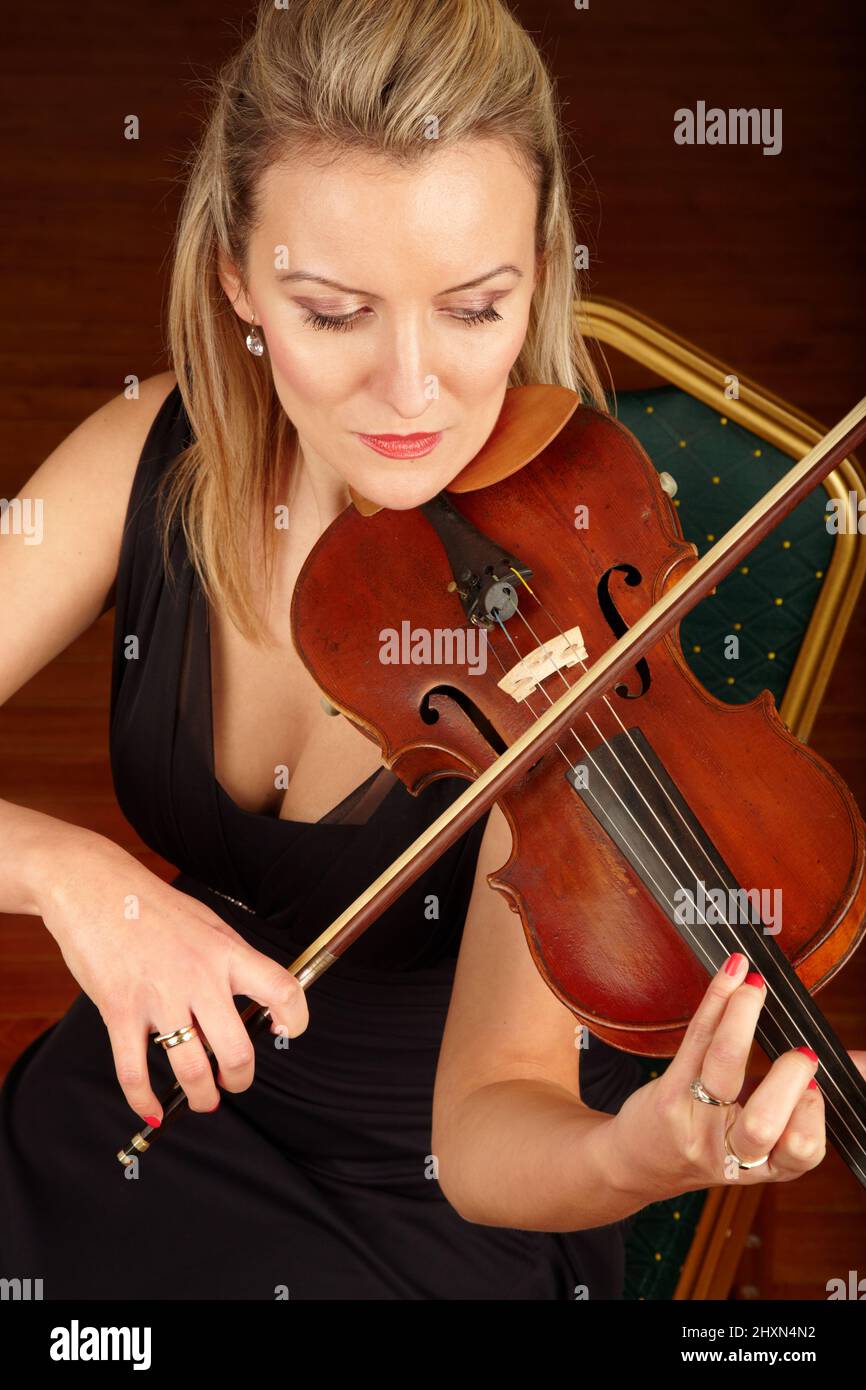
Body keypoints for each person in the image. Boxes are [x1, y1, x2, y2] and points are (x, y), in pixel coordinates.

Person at [0, 0, 851, 1301]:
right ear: (237, 278)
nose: (411, 394)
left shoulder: (578, 587)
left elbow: (493, 1125)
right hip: (144, 1101)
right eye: (333, 312)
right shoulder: (153, 458)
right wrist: (76, 878)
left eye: (473, 308)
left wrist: (647, 1145)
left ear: (541, 267)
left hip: (424, 1215)